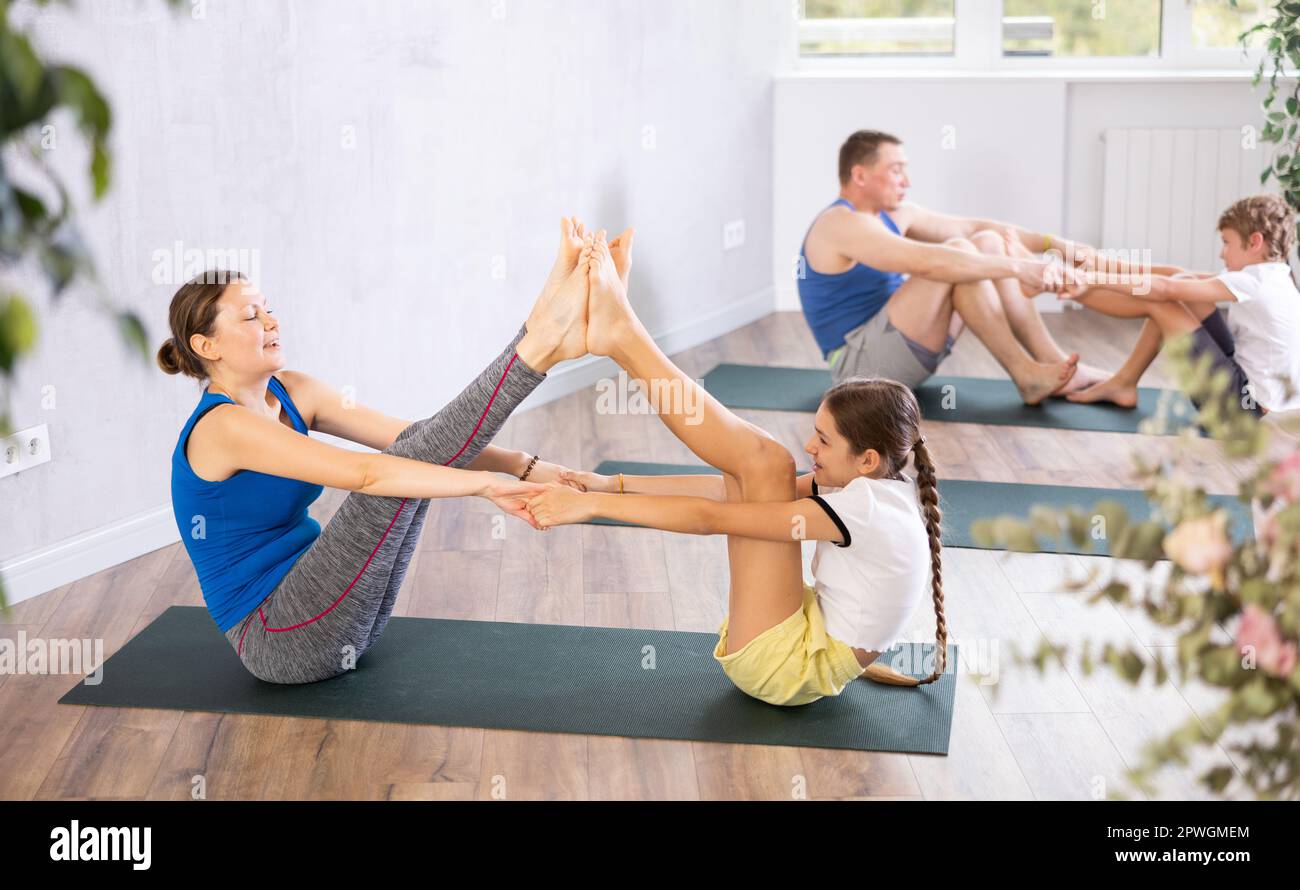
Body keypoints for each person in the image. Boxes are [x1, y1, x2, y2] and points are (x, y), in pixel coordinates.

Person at [161, 219, 609, 684]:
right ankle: (538, 343)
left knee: (412, 452)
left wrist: (523, 465)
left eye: (268, 309)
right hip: (280, 636)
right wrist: (487, 486)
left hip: (341, 609)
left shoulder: (293, 392)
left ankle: (538, 333)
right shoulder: (223, 426)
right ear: (205, 345)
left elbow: (419, 434)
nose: (272, 321)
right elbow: (367, 475)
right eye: (252, 316)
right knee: (396, 472)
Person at [526, 232, 946, 706]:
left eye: (825, 440)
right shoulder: (882, 487)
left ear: (868, 459)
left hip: (785, 665)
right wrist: (614, 483)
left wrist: (590, 506)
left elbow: (710, 518)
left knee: (765, 463)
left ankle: (622, 335)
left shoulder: (862, 507)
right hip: (801, 640)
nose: (811, 445)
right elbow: (729, 491)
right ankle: (621, 334)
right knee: (757, 467)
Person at [800, 129, 1100, 404]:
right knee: (957, 255)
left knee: (986, 241)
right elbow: (927, 263)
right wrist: (1021, 268)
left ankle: (1049, 361)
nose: (907, 181)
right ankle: (1025, 374)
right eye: (896, 170)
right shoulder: (838, 223)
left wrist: (1055, 244)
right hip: (858, 372)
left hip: (900, 346)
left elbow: (977, 227)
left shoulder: (897, 214)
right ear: (860, 175)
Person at [1061, 194, 1300, 417]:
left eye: (1227, 243)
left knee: (1164, 302)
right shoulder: (1275, 275)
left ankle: (1122, 382)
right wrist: (1102, 266)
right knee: (1183, 281)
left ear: (1255, 242)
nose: (1222, 254)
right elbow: (1178, 277)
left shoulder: (1253, 281)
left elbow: (1165, 289)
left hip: (1237, 408)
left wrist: (1091, 279)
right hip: (1245, 390)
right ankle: (1123, 383)